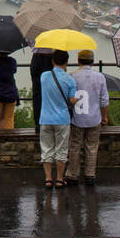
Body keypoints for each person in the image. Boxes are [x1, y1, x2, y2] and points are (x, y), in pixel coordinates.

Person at [65, 50, 109, 185]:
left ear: (78, 61)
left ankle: (73, 174)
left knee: (75, 145)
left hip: (77, 117)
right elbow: (104, 100)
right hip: (94, 117)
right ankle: (90, 174)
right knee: (92, 146)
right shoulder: (100, 77)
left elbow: (69, 98)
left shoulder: (72, 76)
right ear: (93, 62)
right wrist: (104, 116)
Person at [37, 49, 78, 188]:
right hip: (62, 119)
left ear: (53, 61)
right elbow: (71, 100)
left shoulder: (44, 76)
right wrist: (77, 99)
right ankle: (59, 179)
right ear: (66, 62)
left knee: (46, 149)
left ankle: (48, 179)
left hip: (45, 118)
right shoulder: (70, 80)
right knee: (61, 150)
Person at [29, 46, 53, 134]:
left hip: (36, 57)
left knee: (37, 93)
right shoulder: (53, 32)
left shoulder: (33, 31)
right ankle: (50, 121)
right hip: (50, 58)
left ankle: (38, 123)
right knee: (51, 92)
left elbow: (29, 43)